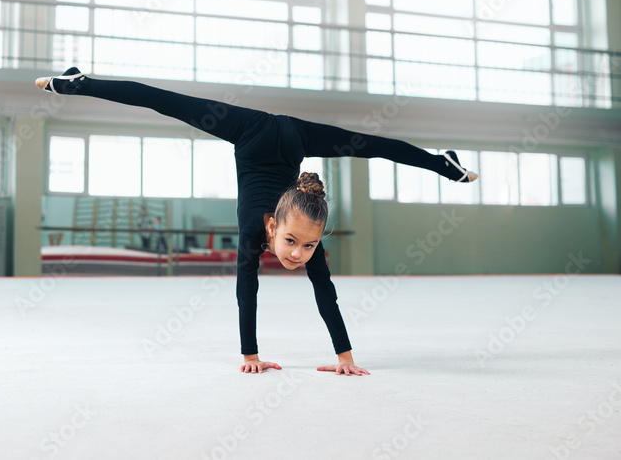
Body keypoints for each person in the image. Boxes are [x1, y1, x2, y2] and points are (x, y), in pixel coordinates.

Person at [35, 67, 479, 376]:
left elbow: (326, 292)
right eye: (294, 243)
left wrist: (345, 356)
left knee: (367, 146)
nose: (298, 254)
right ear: (273, 228)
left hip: (290, 138)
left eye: (307, 247)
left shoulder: (303, 227)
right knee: (166, 103)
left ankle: (442, 163)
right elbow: (247, 291)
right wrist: (251, 355)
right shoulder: (257, 232)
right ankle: (79, 84)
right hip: (253, 130)